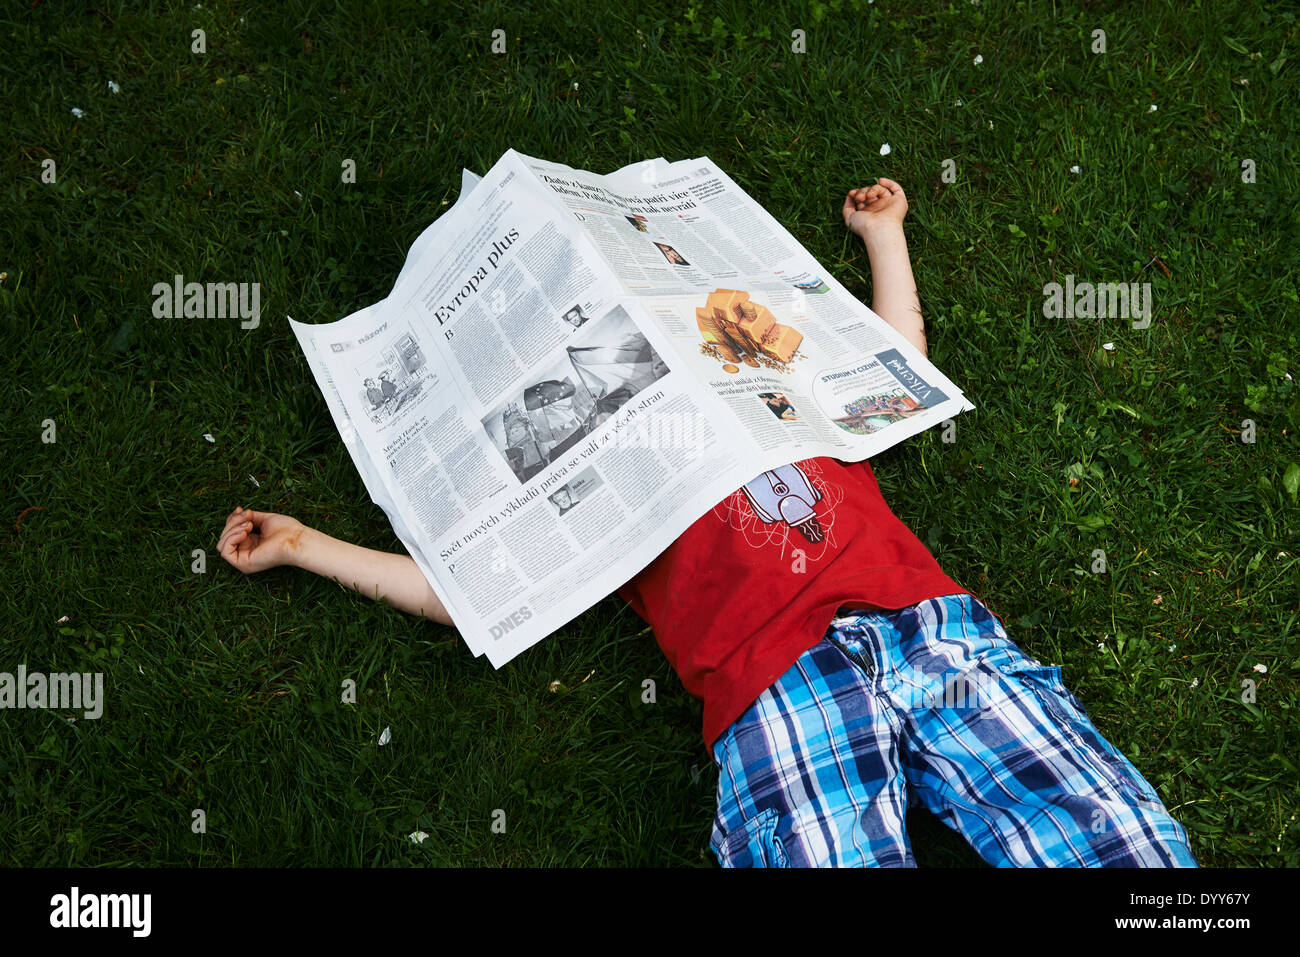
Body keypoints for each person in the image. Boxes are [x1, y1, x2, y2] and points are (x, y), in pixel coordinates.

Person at [218, 178, 1197, 868]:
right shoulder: (593, 465)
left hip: (926, 626)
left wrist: (883, 237)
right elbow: (469, 591)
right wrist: (305, 546)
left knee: (1104, 828)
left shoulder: (759, 370)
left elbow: (898, 362)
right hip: (769, 687)